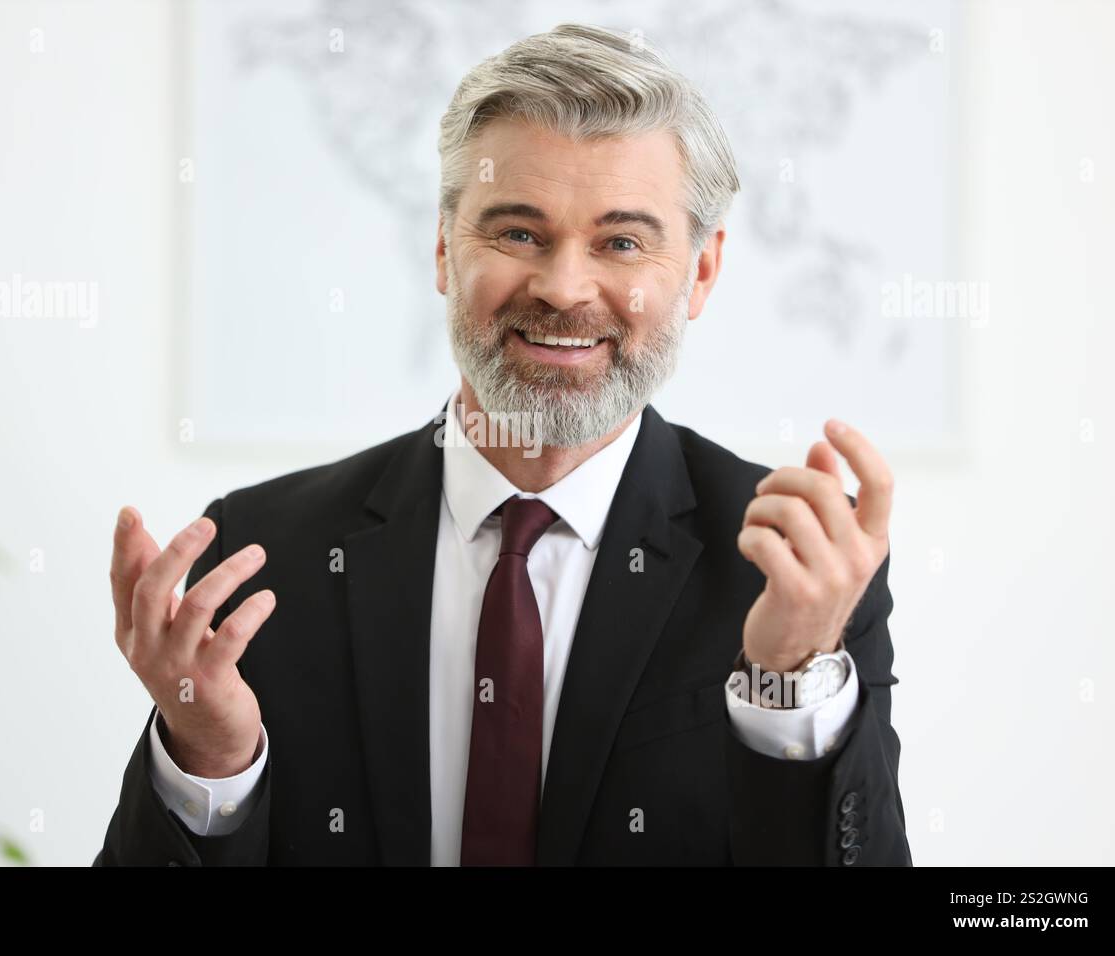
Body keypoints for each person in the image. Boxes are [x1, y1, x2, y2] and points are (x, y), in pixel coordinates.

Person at [95, 23, 910, 866]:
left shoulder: (793, 567)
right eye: (519, 233)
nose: (562, 289)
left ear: (699, 273)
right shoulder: (264, 556)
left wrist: (787, 680)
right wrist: (210, 762)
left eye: (621, 242)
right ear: (445, 247)